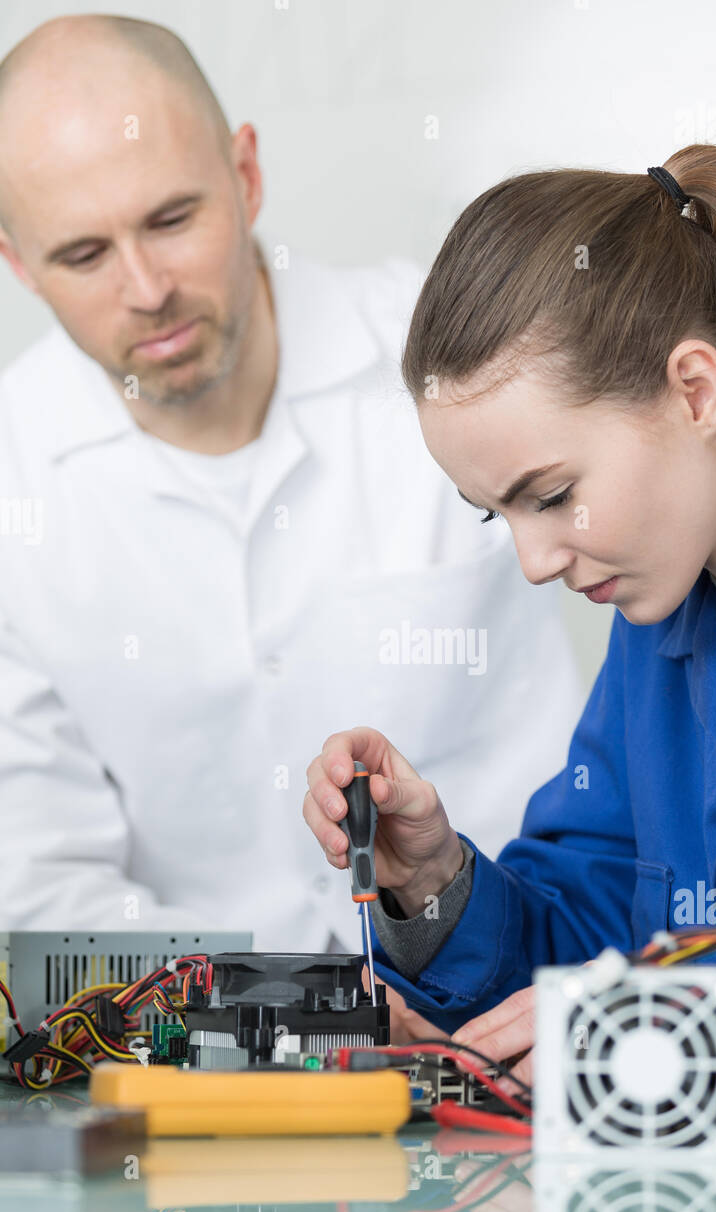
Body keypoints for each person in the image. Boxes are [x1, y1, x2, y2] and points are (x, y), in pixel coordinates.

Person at [0, 15, 583, 1036]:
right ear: (15, 263)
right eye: (84, 253)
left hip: (527, 1020)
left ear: (246, 175)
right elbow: (43, 893)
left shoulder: (454, 365)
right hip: (206, 1077)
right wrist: (295, 1021)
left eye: (172, 218)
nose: (147, 289)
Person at [304, 145, 716, 1078]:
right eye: (501, 513)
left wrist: (704, 1044)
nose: (533, 562)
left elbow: (650, 1022)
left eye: (554, 495)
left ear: (696, 391)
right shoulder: (661, 626)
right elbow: (586, 968)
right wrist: (433, 880)